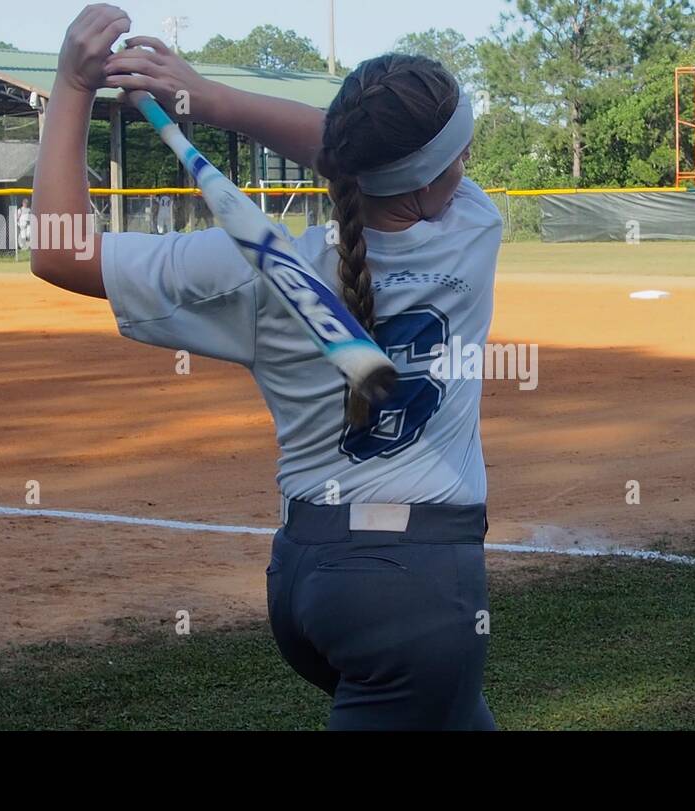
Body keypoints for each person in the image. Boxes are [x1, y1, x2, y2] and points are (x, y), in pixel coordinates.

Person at [30, 4, 501, 730]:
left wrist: (72, 86)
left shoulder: (255, 269)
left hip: (309, 574)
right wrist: (208, 96)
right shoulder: (473, 230)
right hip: (415, 594)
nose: (464, 168)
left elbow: (61, 253)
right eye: (458, 156)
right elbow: (351, 151)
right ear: (436, 176)